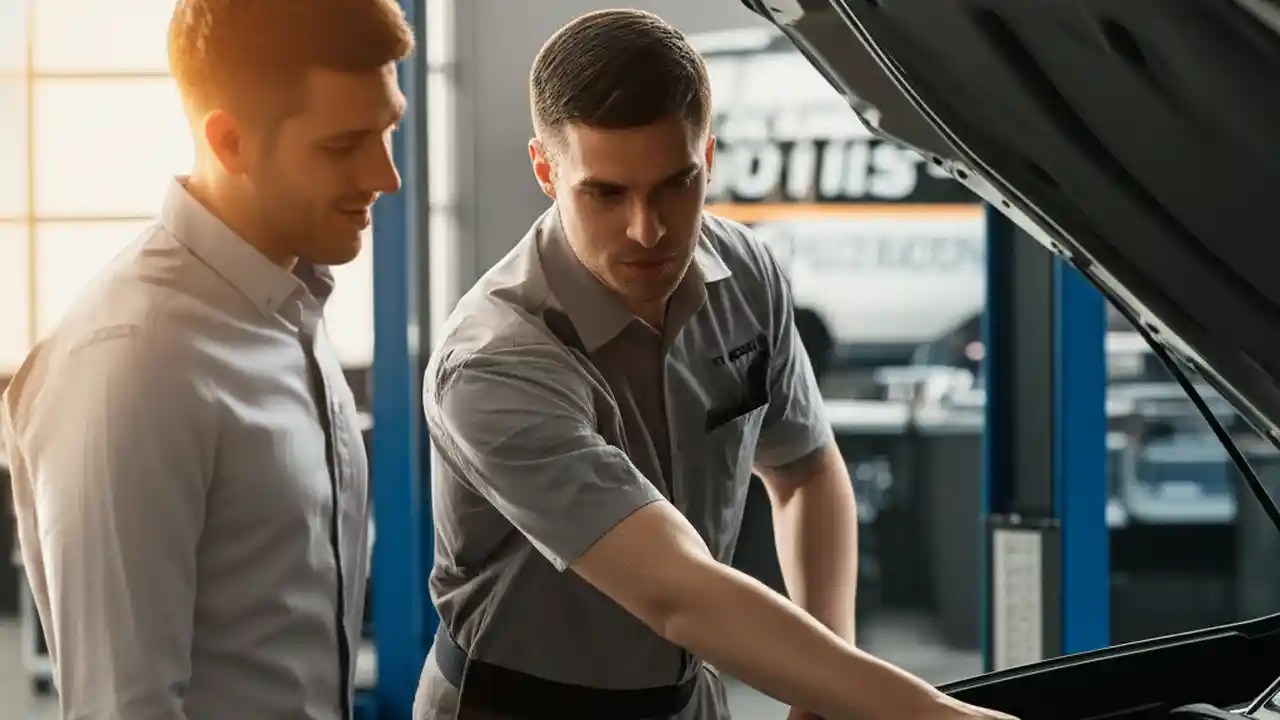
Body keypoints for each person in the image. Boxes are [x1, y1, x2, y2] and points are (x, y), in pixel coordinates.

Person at [415, 9, 1017, 720]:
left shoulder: (748, 273)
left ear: (711, 159)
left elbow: (803, 471)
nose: (649, 230)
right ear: (547, 170)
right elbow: (679, 592)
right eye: (606, 193)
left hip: (692, 700)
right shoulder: (493, 362)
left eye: (677, 183)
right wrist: (936, 717)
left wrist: (826, 684)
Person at [0, 1, 413, 718]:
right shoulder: (131, 367)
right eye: (343, 145)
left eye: (387, 131)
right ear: (229, 142)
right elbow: (121, 706)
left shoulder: (291, 304)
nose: (386, 176)